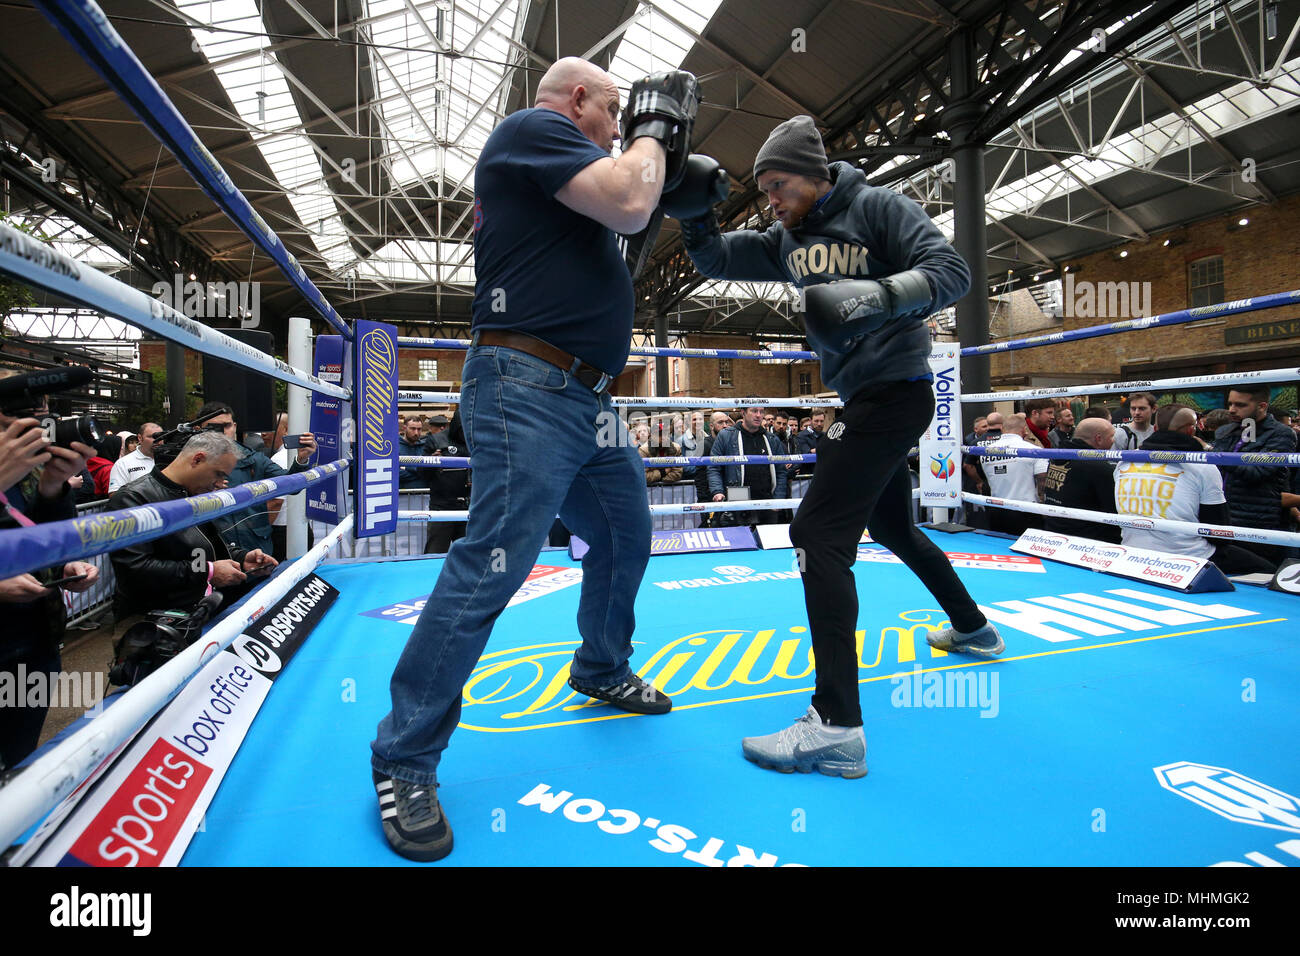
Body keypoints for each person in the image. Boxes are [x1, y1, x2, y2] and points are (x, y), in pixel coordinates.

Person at [371, 58, 697, 860]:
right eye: (616, 111)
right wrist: (654, 134)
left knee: (624, 535)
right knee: (491, 563)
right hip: (524, 382)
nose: (623, 128)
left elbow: (649, 198)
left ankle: (599, 665)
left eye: (630, 121)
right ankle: (404, 757)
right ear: (579, 99)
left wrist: (683, 160)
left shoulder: (574, 179)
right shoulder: (533, 129)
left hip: (588, 399)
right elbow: (629, 199)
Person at [669, 114, 1002, 778]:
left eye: (778, 185)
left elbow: (954, 271)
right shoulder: (783, 238)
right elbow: (714, 261)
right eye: (763, 190)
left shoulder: (878, 208)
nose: (770, 201)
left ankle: (837, 726)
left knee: (817, 530)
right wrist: (695, 218)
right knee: (893, 528)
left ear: (815, 176)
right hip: (864, 399)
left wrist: (878, 295)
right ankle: (974, 629)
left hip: (896, 391)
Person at [0, 391, 98, 770]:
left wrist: (54, 484)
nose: (36, 429)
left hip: (33, 638)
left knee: (20, 757)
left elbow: (51, 537)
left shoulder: (32, 469)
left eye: (42, 416)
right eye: (18, 418)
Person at [108, 430, 277, 620]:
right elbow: (135, 570)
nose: (221, 483)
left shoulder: (192, 494)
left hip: (195, 612)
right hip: (151, 623)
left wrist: (241, 558)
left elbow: (206, 546)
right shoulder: (132, 498)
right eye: (219, 474)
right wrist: (209, 572)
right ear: (197, 460)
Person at [1118, 404, 1275, 575]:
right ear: (1190, 430)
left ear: (1155, 428)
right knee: (1268, 569)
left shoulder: (1124, 461)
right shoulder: (1201, 466)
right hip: (1189, 555)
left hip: (1133, 549)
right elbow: (1218, 531)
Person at [196, 402, 317, 559]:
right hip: (215, 552)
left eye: (226, 426)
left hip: (257, 550)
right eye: (213, 428)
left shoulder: (254, 459)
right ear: (198, 430)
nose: (221, 433)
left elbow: (291, 485)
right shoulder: (188, 461)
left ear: (234, 426)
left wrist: (301, 459)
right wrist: (202, 493)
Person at [1211, 386, 1297, 565]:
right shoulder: (1227, 431)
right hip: (1224, 516)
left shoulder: (1281, 434)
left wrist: (1216, 454)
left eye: (1240, 405)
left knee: (1260, 578)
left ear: (1262, 406)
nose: (1232, 409)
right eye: (1230, 404)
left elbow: (1257, 472)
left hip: (1259, 522)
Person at [706, 402, 789, 524]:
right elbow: (714, 466)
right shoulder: (726, 436)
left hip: (767, 501)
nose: (758, 415)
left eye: (761, 411)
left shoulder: (771, 439)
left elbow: (781, 470)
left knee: (766, 541)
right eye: (754, 411)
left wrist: (778, 498)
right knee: (739, 541)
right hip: (737, 499)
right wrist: (717, 491)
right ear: (743, 413)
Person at [1042, 415, 1119, 542]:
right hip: (1086, 540)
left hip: (1055, 532)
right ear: (1098, 439)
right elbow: (1113, 511)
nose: (1113, 441)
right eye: (1111, 437)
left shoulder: (1057, 457)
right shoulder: (1098, 467)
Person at [977, 413, 1048, 536]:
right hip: (1026, 510)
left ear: (1002, 430)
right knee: (1026, 551)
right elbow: (1043, 484)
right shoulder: (1033, 450)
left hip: (996, 510)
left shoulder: (986, 452)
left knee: (1000, 550)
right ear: (1024, 430)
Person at [108, 421, 162, 492]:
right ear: (140, 438)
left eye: (161, 436)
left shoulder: (172, 459)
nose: (157, 440)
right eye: (152, 437)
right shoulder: (123, 463)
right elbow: (115, 495)